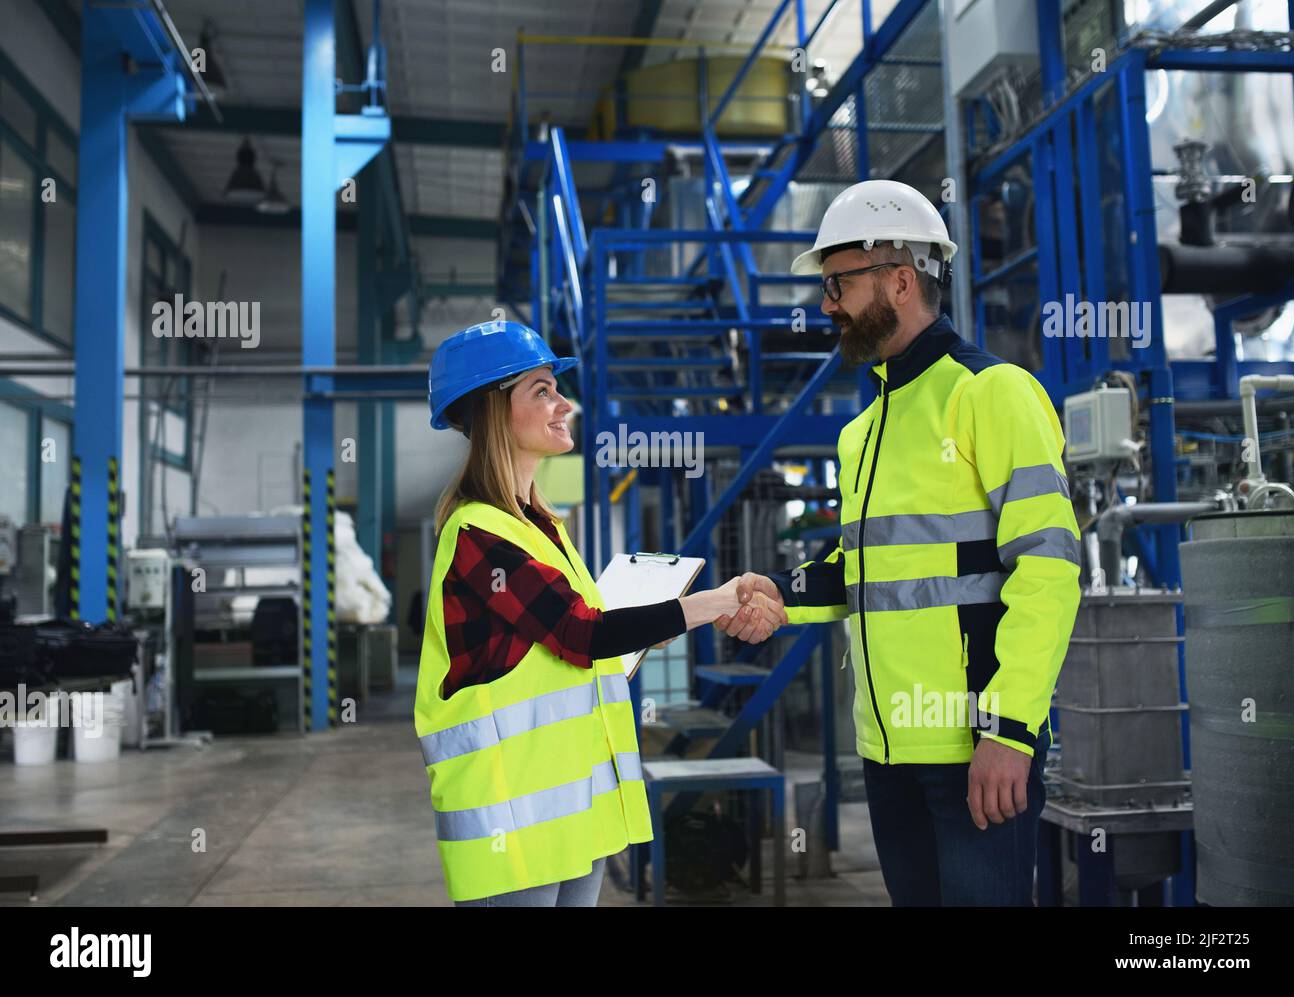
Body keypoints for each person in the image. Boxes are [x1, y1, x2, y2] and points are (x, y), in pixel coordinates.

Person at [717, 180, 1081, 906]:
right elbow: (870, 571)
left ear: (902, 281)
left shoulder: (991, 393)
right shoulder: (864, 432)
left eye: (838, 285)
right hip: (888, 756)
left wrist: (1009, 731)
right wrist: (780, 595)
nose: (827, 305)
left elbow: (1049, 567)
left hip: (974, 752)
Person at [414, 320, 785, 907]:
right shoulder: (477, 534)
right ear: (492, 411)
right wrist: (714, 602)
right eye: (542, 390)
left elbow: (571, 649)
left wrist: (646, 630)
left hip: (570, 808)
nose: (565, 404)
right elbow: (580, 634)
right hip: (510, 820)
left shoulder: (542, 528)